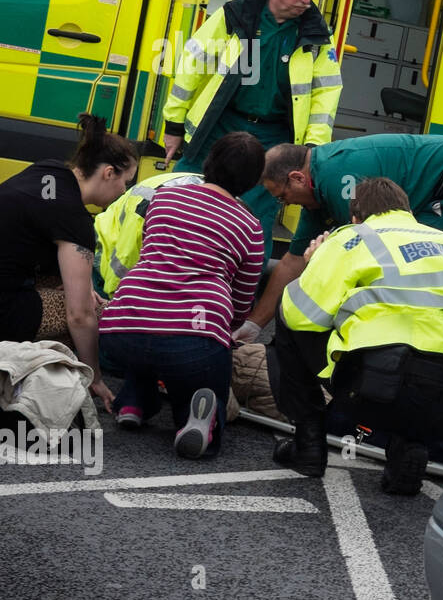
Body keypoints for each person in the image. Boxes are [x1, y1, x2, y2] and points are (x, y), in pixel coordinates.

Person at [270, 176, 443, 494]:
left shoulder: (354, 238)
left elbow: (303, 314)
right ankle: (408, 445)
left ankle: (308, 446)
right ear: (407, 210)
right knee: (423, 362)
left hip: (374, 387)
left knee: (287, 309)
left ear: (356, 217)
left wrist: (315, 265)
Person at [242, 132, 443, 338]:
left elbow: (356, 251)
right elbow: (293, 261)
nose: (286, 204)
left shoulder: (337, 178)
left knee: (423, 268)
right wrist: (253, 325)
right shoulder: (317, 187)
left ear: (297, 178)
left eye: (283, 196)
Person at [161, 0, 341, 261]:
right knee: (182, 195)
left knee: (255, 217)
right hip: (220, 126)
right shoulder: (235, 15)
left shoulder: (316, 35)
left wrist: (312, 149)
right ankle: (163, 266)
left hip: (273, 137)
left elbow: (326, 93)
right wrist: (174, 124)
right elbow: (193, 66)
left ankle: (239, 296)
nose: (306, 1)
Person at [98, 132, 266, 459]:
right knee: (200, 367)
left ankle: (132, 402)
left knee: (151, 327)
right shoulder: (250, 226)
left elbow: (144, 250)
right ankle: (197, 420)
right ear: (253, 180)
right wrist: (221, 332)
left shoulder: (164, 198)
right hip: (192, 337)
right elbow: (242, 300)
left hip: (121, 327)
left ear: (209, 161)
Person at [0, 114, 137, 411]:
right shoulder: (74, 219)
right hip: (5, 305)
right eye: (126, 182)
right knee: (98, 314)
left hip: (10, 277)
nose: (124, 192)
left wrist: (83, 290)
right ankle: (35, 380)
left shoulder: (46, 171)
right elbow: (79, 315)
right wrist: (95, 375)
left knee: (83, 295)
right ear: (109, 173)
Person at [93, 170, 205, 297]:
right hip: (105, 252)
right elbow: (123, 263)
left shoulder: (211, 199)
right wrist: (116, 301)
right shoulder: (148, 210)